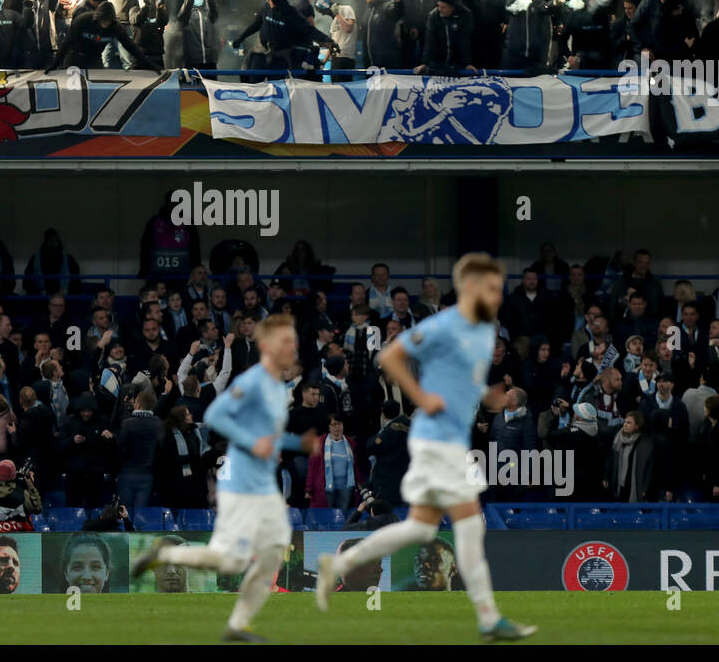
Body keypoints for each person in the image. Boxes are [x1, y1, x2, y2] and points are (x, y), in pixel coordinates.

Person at [314, 253, 534, 641]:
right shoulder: (446, 324)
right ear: (471, 288)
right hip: (436, 438)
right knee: (467, 526)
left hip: (450, 439)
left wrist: (489, 398)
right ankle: (488, 617)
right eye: (492, 287)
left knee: (420, 527)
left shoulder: (486, 332)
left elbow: (461, 383)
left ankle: (342, 562)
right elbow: (391, 355)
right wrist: (421, 397)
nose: (499, 295)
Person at [131, 314, 316, 642]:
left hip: (261, 481)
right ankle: (168, 556)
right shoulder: (255, 380)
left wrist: (293, 443)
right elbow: (215, 415)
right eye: (286, 341)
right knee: (233, 559)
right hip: (243, 481)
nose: (293, 346)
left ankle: (237, 624)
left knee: (270, 551)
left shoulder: (276, 386)